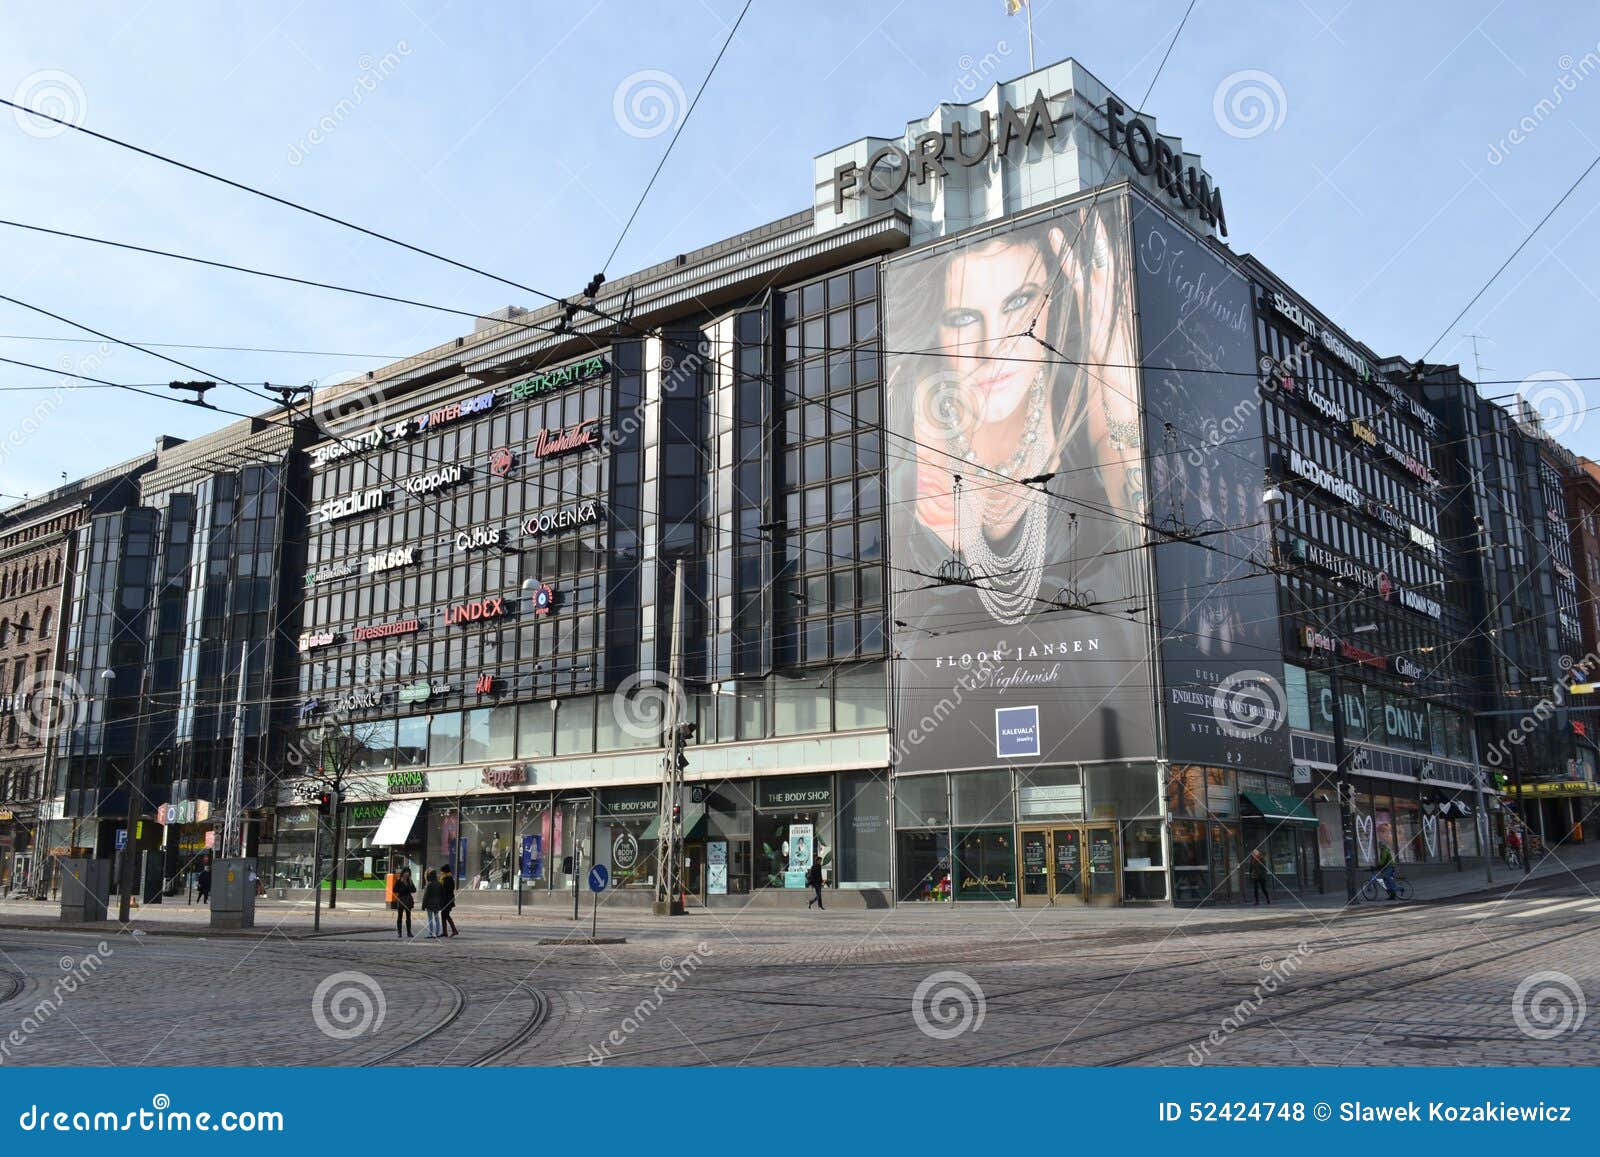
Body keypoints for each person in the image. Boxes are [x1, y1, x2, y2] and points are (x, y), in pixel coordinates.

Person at [393, 867, 416, 938]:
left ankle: (409, 932)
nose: (407, 874)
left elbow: (414, 890)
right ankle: (399, 933)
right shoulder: (399, 880)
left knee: (408, 917)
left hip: (408, 900)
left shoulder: (410, 881)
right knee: (400, 916)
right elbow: (394, 890)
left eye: (408, 872)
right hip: (401, 899)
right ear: (403, 873)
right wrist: (403, 889)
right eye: (406, 872)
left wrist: (409, 887)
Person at [420, 869, 443, 939]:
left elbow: (426, 896)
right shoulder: (439, 884)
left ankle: (430, 933)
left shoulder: (429, 885)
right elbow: (442, 894)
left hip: (429, 903)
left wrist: (423, 906)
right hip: (437, 903)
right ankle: (437, 932)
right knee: (437, 918)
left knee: (430, 919)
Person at [438, 864, 459, 937]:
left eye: (441, 871)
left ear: (444, 872)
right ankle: (445, 932)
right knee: (444, 915)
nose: (440, 873)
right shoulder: (448, 878)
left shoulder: (446, 879)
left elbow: (446, 891)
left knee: (445, 915)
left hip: (447, 900)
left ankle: (454, 930)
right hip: (447, 900)